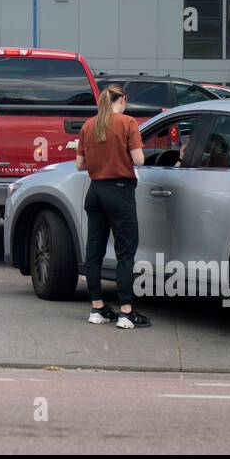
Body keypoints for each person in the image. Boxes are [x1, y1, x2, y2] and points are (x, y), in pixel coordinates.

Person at [76, 84, 150, 329]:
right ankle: (126, 312)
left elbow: (80, 165)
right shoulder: (128, 123)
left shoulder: (89, 125)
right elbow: (139, 159)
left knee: (94, 251)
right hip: (120, 192)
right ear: (123, 100)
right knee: (125, 252)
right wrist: (120, 157)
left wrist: (102, 160)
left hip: (95, 191)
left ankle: (97, 308)